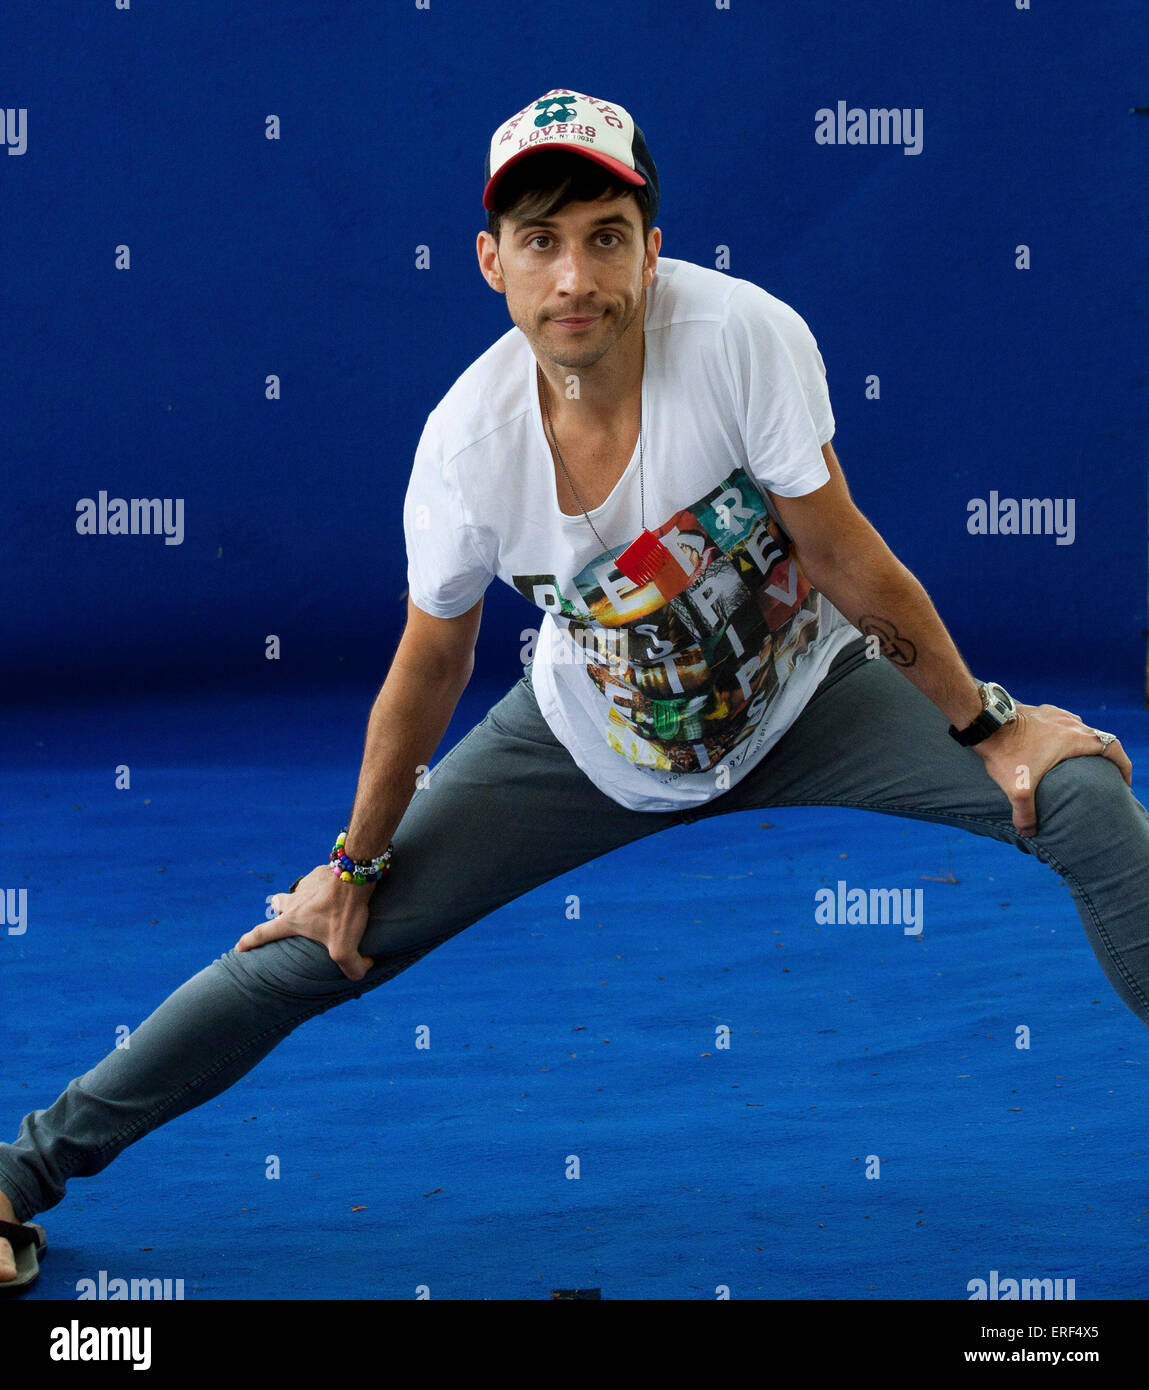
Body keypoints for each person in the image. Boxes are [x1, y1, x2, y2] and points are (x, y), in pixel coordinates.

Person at [2, 87, 1145, 1294]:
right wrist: (357, 861)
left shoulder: (748, 337)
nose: (575, 277)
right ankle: (21, 1172)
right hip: (591, 741)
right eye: (540, 242)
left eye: (606, 235)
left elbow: (845, 557)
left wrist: (989, 725)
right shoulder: (467, 443)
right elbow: (429, 665)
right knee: (317, 946)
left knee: (1071, 796)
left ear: (652, 249)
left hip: (812, 694)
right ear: (492, 262)